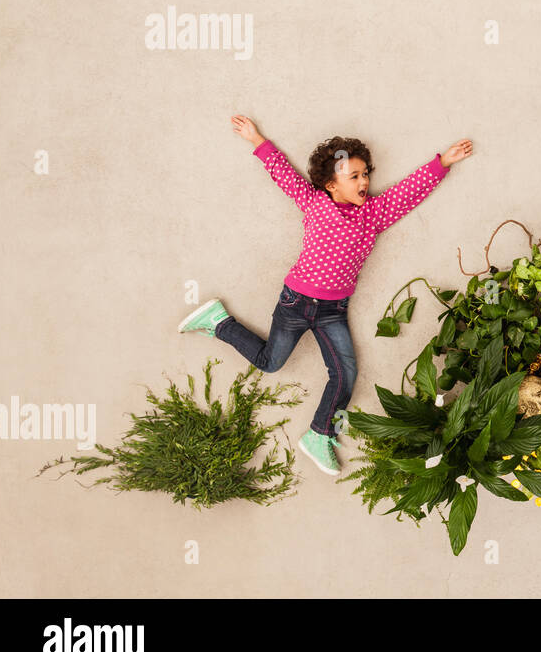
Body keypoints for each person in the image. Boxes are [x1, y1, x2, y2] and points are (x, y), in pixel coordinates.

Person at [177, 115, 472, 475]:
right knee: (271, 363)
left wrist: (441, 164)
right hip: (296, 303)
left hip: (334, 310)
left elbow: (408, 192)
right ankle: (219, 322)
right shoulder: (315, 203)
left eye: (366, 174)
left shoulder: (374, 215)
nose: (364, 181)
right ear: (331, 185)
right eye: (354, 176)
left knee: (345, 374)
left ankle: (319, 434)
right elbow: (282, 173)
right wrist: (256, 139)